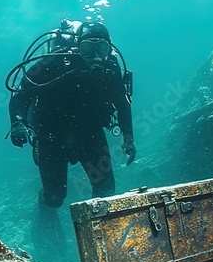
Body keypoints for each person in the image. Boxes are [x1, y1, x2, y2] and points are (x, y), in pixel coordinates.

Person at [7, 19, 135, 208]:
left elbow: (123, 105)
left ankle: (97, 231)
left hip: (90, 134)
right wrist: (18, 123)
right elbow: (21, 95)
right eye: (87, 48)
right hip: (51, 136)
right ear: (77, 46)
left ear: (109, 49)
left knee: (105, 192)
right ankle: (44, 205)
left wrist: (128, 139)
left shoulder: (111, 69)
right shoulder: (53, 62)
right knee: (55, 198)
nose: (95, 55)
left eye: (101, 48)